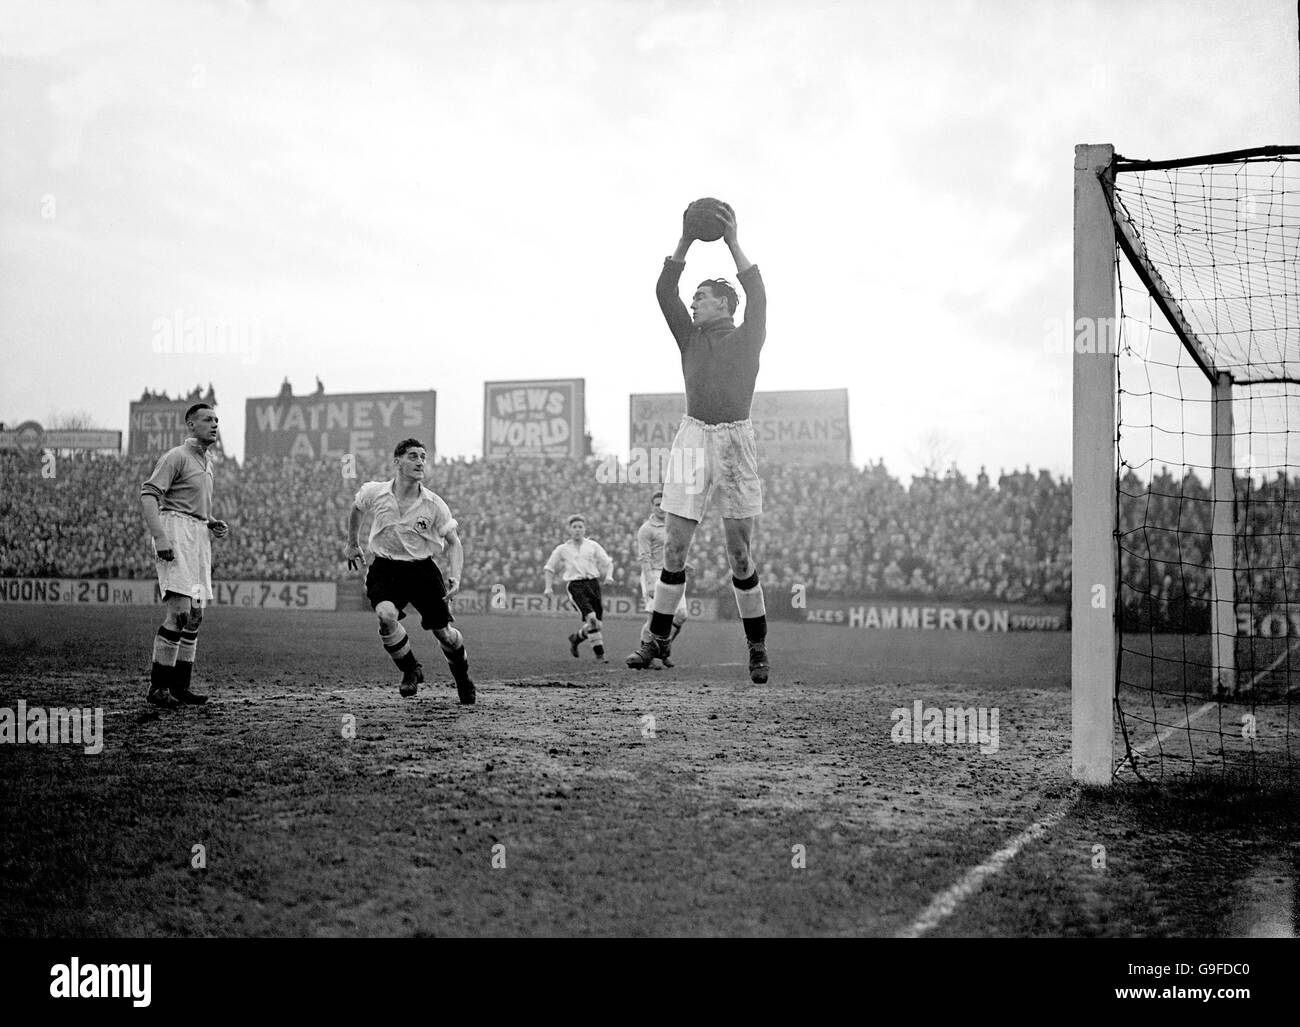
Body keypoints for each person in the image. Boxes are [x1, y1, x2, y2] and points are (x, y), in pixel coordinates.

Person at [626, 200, 770, 682]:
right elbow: (665, 289)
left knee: (740, 555)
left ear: (725, 304)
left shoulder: (748, 336)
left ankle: (756, 648)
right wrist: (686, 239)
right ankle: (654, 638)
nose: (693, 303)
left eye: (702, 297)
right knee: (673, 549)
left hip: (734, 441)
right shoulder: (689, 338)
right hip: (692, 437)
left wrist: (731, 240)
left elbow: (759, 294)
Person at [345, 438, 475, 704]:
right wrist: (352, 543)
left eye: (423, 457)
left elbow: (454, 543)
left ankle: (462, 678)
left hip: (422, 571)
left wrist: (456, 577)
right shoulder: (376, 492)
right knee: (385, 615)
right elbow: (357, 509)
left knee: (445, 635)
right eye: (413, 456)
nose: (420, 462)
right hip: (385, 567)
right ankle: (411, 670)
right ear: (397, 462)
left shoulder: (434, 504)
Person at [139, 402, 229, 707]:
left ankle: (180, 687)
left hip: (199, 538)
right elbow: (149, 494)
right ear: (190, 425)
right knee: (178, 613)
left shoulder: (208, 463)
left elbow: (193, 504)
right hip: (175, 535)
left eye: (216, 419)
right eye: (207, 419)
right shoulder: (176, 456)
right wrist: (160, 536)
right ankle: (158, 687)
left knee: (195, 616)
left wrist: (210, 519)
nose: (214, 424)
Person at [627, 490, 687, 670]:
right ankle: (646, 654)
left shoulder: (673, 524)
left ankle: (662, 650)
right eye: (657, 504)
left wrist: (685, 563)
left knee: (681, 615)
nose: (660, 508)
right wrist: (650, 583)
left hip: (674, 572)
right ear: (651, 506)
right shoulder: (646, 529)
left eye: (663, 504)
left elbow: (674, 548)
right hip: (653, 574)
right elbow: (644, 557)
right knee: (654, 619)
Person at [543, 514, 614, 662]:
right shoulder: (562, 549)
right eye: (574, 527)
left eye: (580, 527)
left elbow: (608, 562)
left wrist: (609, 576)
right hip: (575, 586)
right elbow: (549, 568)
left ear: (585, 529)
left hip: (593, 584)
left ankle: (576, 638)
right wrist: (548, 587)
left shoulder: (592, 545)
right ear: (569, 530)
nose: (577, 530)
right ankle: (600, 655)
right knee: (592, 619)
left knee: (597, 625)